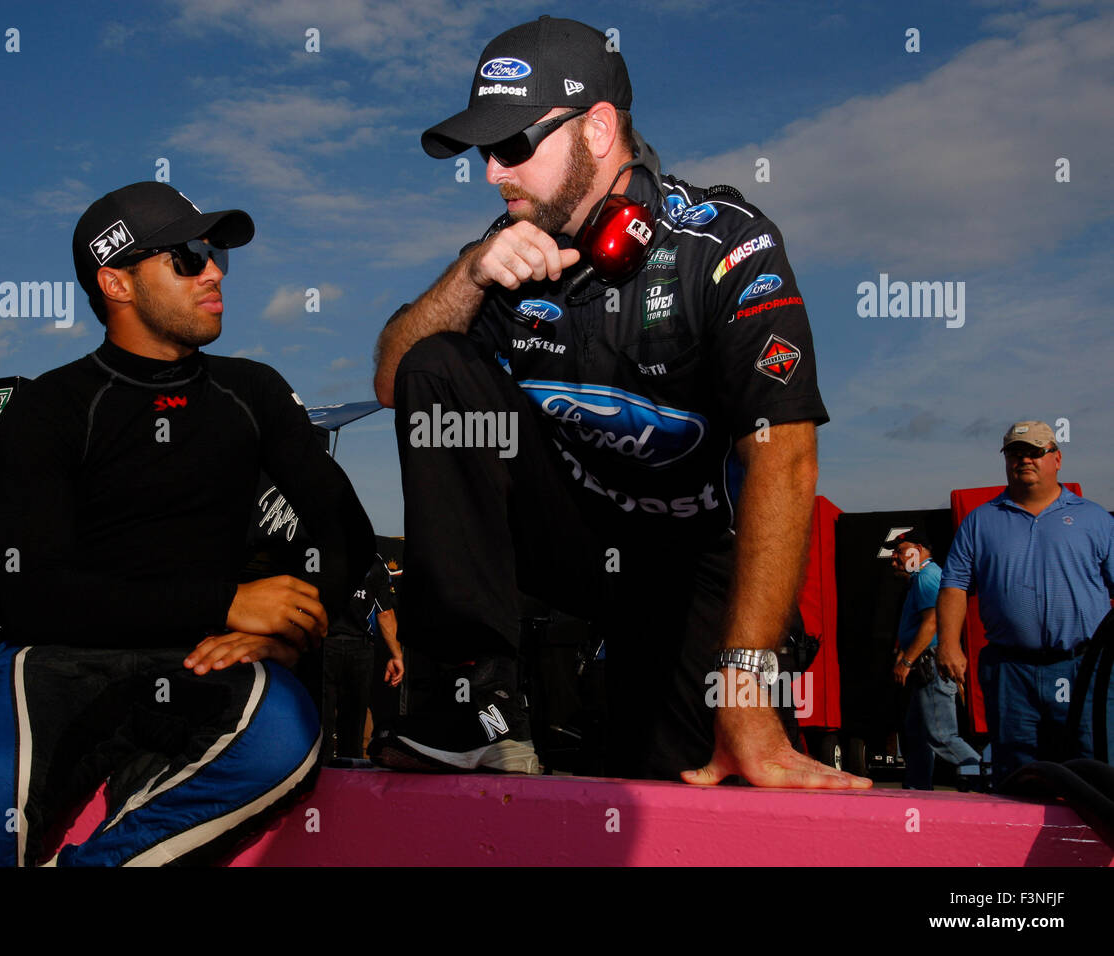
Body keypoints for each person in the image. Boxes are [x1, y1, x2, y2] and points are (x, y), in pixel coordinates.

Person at [369, 16, 868, 788]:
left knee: (688, 803)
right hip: (570, 541)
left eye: (510, 147)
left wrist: (743, 684)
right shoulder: (503, 252)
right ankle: (471, 707)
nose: (493, 174)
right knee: (438, 364)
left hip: (693, 570)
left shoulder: (726, 247)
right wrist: (470, 275)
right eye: (482, 154)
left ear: (598, 130)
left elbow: (786, 457)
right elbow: (395, 386)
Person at [0, 181, 374, 866]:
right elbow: (32, 594)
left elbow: (344, 531)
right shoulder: (52, 405)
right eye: (187, 256)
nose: (214, 270)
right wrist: (227, 601)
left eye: (216, 253)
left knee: (281, 741)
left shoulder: (253, 393)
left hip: (198, 659)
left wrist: (292, 635)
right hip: (58, 659)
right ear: (116, 282)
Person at [937, 421, 1114, 785]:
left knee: (1092, 766)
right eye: (1017, 453)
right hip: (1010, 669)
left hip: (1082, 665)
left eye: (1035, 452)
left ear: (1057, 458)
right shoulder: (980, 522)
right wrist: (950, 645)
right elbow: (954, 584)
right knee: (1018, 771)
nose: (1025, 460)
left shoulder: (1093, 519)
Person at [888, 532, 980, 790]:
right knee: (917, 735)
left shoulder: (927, 576)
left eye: (899, 550)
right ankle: (917, 790)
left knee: (941, 735)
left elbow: (932, 621)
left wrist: (906, 661)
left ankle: (981, 773)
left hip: (929, 665)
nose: (894, 557)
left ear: (918, 549)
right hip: (924, 666)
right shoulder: (921, 578)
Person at [321, 555, 403, 761]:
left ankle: (320, 772)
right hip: (357, 646)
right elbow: (385, 614)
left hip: (325, 644)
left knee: (321, 717)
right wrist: (397, 656)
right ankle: (348, 776)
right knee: (353, 723)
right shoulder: (374, 562)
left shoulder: (323, 551)